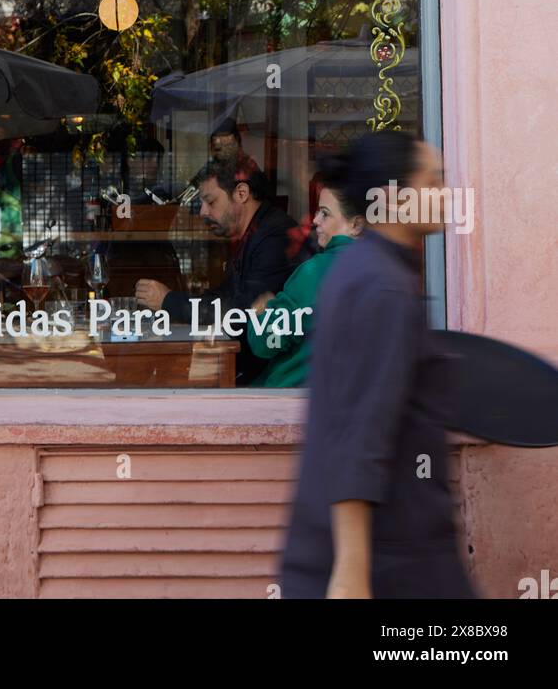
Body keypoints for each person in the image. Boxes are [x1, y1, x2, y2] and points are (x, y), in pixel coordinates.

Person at [281, 132, 478, 600]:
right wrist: (351, 575)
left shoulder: (374, 271)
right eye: (433, 181)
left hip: (404, 556)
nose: (446, 194)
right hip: (387, 567)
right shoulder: (380, 286)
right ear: (393, 197)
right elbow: (358, 435)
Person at [135, 159, 300, 384]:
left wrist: (169, 301)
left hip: (267, 383)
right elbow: (226, 295)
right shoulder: (255, 233)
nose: (202, 211)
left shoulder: (275, 237)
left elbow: (241, 312)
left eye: (210, 201)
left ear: (241, 193)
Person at [246, 156, 365, 388]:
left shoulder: (315, 273)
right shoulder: (384, 270)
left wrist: (261, 314)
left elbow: (264, 342)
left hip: (288, 401)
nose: (315, 220)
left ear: (356, 225)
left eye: (325, 213)